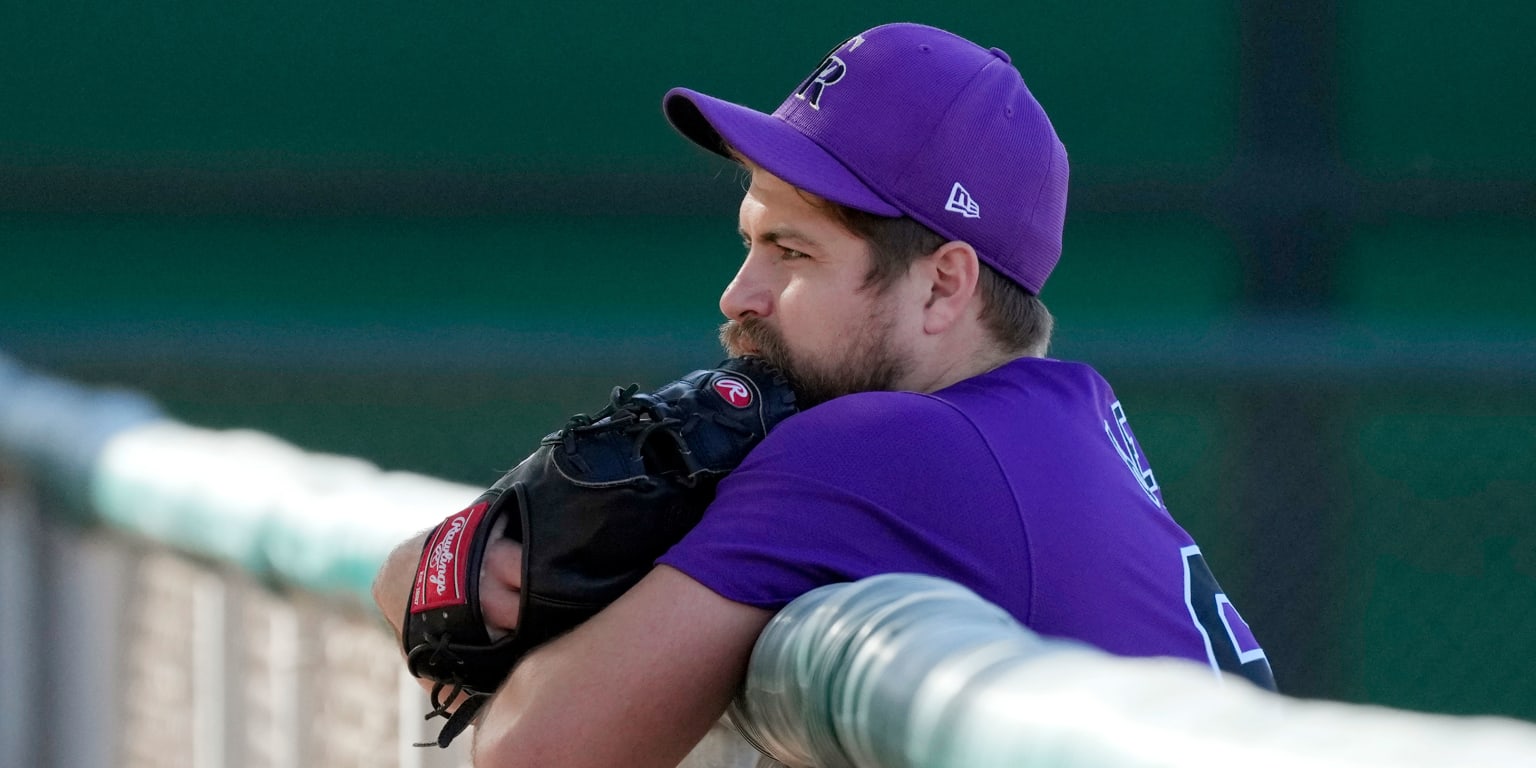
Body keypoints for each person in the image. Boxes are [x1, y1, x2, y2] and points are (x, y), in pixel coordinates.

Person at [374, 21, 1274, 768]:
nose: (739, 296)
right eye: (750, 240)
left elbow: (535, 756)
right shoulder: (1069, 417)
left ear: (942, 287)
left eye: (792, 252)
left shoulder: (880, 448)